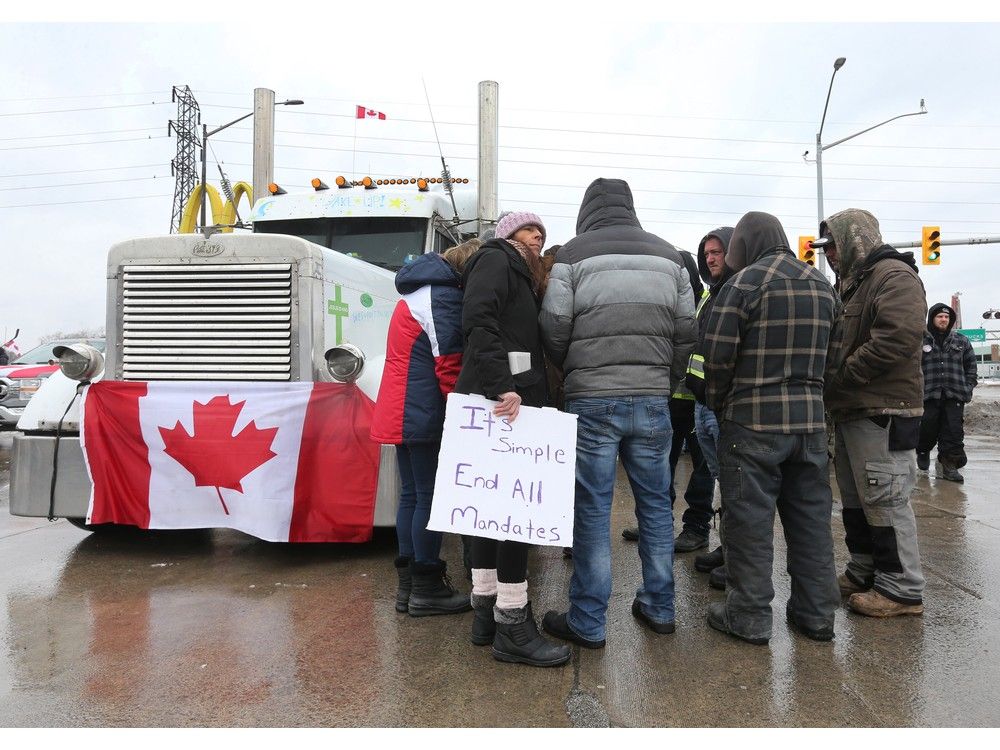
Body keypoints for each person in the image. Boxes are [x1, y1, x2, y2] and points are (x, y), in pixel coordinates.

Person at [539, 177, 697, 647]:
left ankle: (588, 620)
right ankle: (660, 606)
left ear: (587, 209)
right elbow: (687, 332)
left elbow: (554, 325)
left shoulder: (572, 256)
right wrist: (663, 384)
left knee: (591, 508)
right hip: (652, 399)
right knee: (655, 505)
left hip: (591, 399)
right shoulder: (670, 256)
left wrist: (573, 371)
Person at [702, 211, 840, 645]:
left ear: (743, 244)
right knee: (812, 523)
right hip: (810, 426)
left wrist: (722, 404)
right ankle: (816, 616)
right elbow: (834, 359)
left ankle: (750, 617)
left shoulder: (741, 285)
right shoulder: (822, 286)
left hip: (752, 425)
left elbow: (717, 359)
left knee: (749, 524)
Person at [455, 211, 570, 668]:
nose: (538, 235)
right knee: (512, 519)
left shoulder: (516, 269)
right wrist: (501, 384)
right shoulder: (497, 259)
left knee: (490, 516)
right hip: (503, 403)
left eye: (541, 231)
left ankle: (486, 612)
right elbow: (478, 320)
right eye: (529, 229)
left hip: (502, 401)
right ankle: (513, 624)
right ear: (507, 234)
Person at [822, 207, 927, 618]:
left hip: (884, 411)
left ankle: (901, 589)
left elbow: (896, 339)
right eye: (825, 247)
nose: (828, 253)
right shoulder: (852, 283)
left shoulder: (893, 276)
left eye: (833, 244)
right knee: (856, 499)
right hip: (853, 409)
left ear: (853, 238)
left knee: (885, 498)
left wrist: (842, 376)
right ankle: (864, 570)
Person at [370, 240, 482, 617]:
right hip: (421, 410)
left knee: (412, 496)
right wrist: (462, 412)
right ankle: (428, 588)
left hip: (401, 407)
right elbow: (448, 362)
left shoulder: (416, 293)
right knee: (430, 498)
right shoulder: (443, 297)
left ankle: (409, 588)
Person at [621, 250, 715, 554]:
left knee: (702, 469)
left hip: (698, 400)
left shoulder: (704, 302)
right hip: (670, 398)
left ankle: (696, 526)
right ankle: (654, 521)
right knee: (660, 465)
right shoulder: (666, 303)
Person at [684, 227, 735, 586]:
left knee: (734, 483)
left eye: (718, 252)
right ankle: (727, 546)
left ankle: (736, 555)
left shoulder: (735, 291)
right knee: (720, 480)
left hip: (722, 405)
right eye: (707, 253)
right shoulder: (710, 294)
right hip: (702, 404)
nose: (711, 259)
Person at [917, 303, 978, 482]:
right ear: (932, 319)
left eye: (947, 317)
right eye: (940, 317)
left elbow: (971, 367)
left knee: (953, 432)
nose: (944, 319)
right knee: (926, 429)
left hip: (955, 395)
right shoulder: (921, 341)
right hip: (928, 394)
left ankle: (949, 465)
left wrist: (967, 387)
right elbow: (912, 367)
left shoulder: (962, 341)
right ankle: (922, 450)